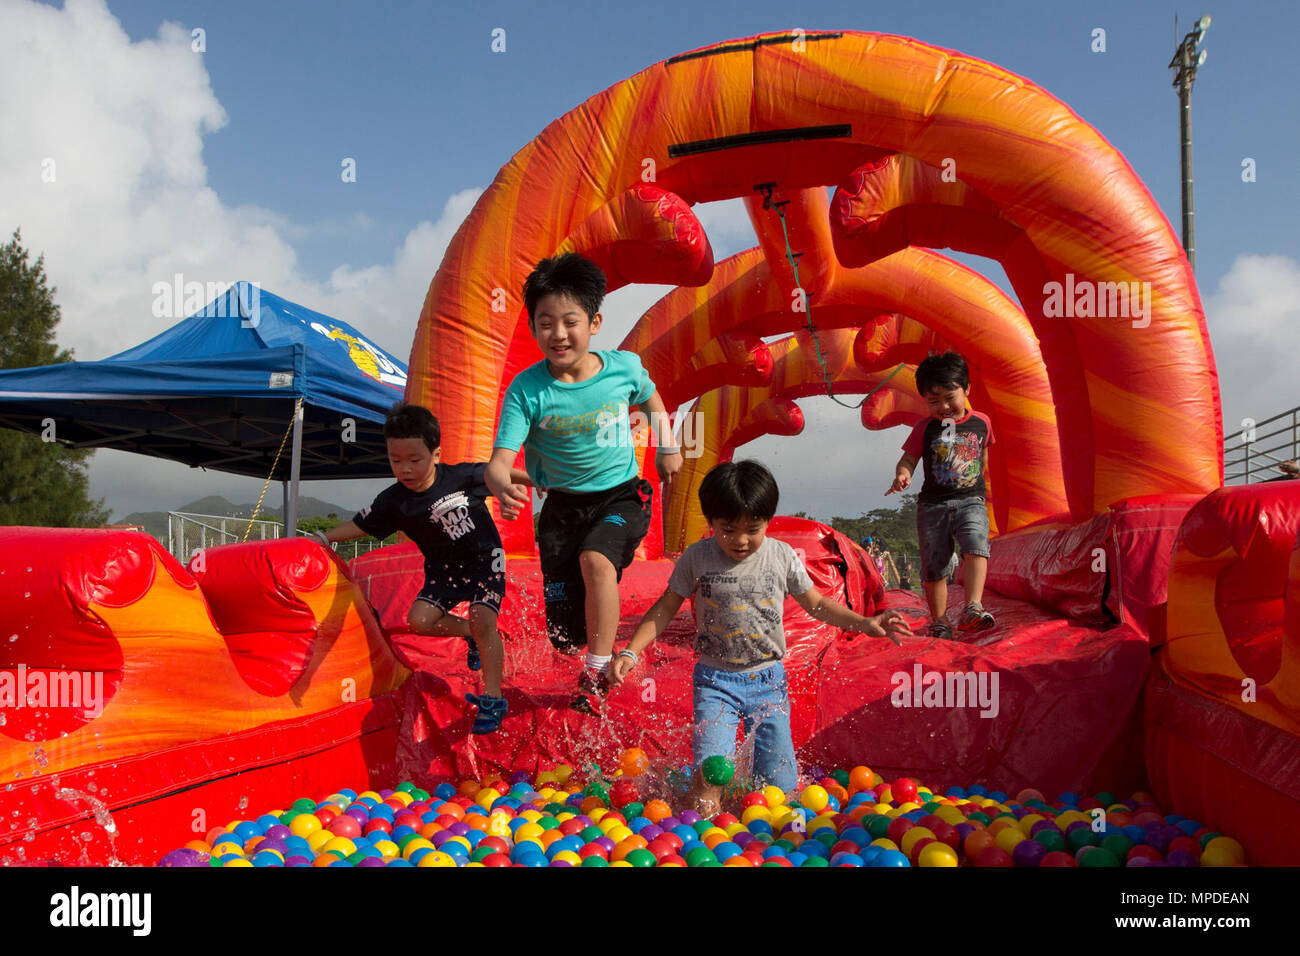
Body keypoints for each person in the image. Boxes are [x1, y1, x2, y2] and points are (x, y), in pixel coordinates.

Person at [611, 460, 913, 814]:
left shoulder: (780, 556)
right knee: (711, 773)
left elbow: (816, 604)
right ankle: (706, 834)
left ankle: (771, 841)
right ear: (711, 523)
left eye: (752, 529)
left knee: (779, 788)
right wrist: (631, 652)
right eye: (727, 530)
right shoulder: (698, 557)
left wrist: (865, 622)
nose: (740, 540)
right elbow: (664, 609)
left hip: (768, 681)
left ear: (768, 521)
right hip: (715, 681)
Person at [484, 252, 683, 714]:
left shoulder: (622, 368)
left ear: (594, 322)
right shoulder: (526, 390)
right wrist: (500, 483)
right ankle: (591, 651)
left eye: (569, 321)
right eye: (545, 323)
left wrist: (669, 446)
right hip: (561, 510)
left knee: (597, 561)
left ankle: (596, 674)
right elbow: (497, 462)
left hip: (620, 495)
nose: (558, 334)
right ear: (534, 328)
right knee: (563, 636)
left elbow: (652, 399)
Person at [308, 403, 531, 734]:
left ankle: (493, 698)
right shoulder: (394, 500)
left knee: (483, 618)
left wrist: (543, 481)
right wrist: (323, 537)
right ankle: (471, 635)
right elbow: (361, 525)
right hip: (443, 569)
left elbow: (498, 473)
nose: (405, 469)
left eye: (415, 460)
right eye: (395, 461)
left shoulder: (460, 476)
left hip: (485, 557)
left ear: (436, 454)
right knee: (419, 621)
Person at [887, 350, 996, 639]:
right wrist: (903, 474)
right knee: (934, 563)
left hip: (971, 499)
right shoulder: (925, 428)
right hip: (933, 505)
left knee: (975, 545)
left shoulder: (982, 422)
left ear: (967, 389)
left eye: (950, 397)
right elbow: (909, 459)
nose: (944, 406)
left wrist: (985, 488)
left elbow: (982, 456)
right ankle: (939, 619)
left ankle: (972, 606)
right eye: (933, 402)